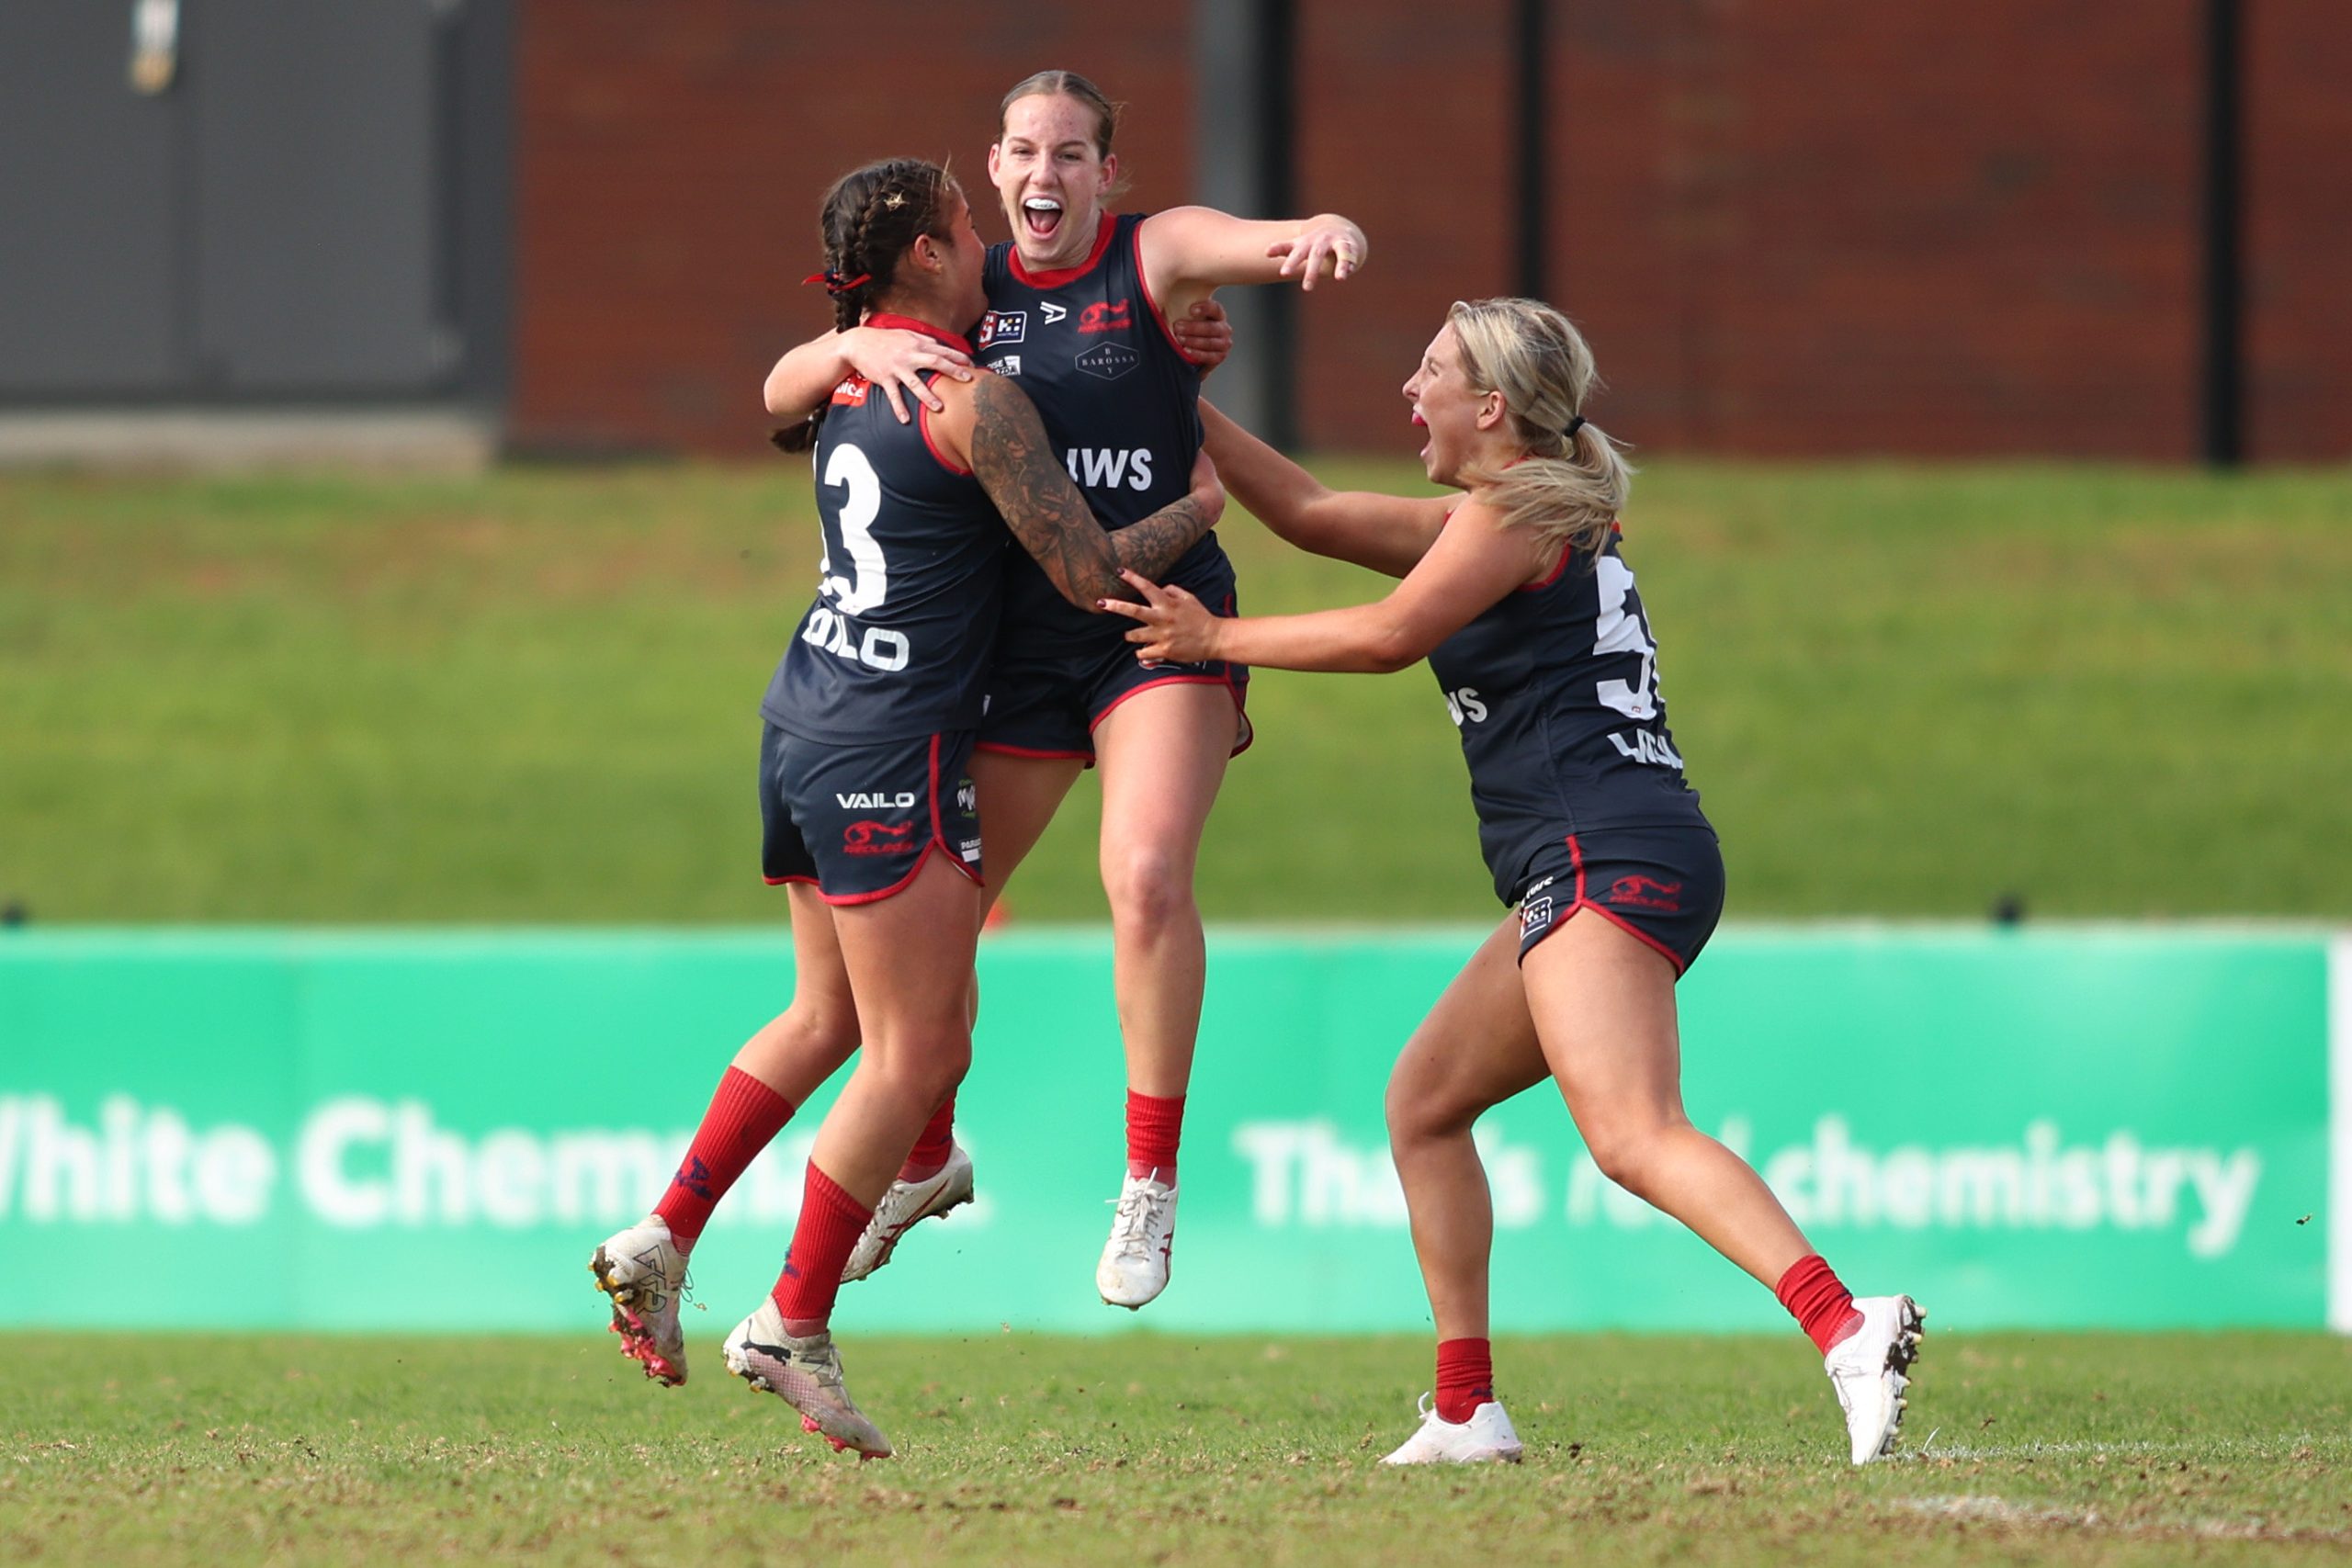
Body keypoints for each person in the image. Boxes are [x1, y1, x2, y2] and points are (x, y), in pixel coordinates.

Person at [1102, 297, 1924, 1467]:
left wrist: (1214, 642)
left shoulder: (1507, 519)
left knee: (1633, 1133)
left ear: (1490, 408)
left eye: (1429, 370)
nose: (1408, 390)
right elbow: (1312, 512)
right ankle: (1463, 1407)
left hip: (1603, 849)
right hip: (1605, 851)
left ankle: (1847, 1325)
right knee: (1425, 1105)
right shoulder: (1516, 512)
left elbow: (1389, 635)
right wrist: (1175, 396)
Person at [591, 155, 1223, 1456]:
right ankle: (790, 1321)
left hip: (801, 716)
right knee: (918, 1048)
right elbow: (1087, 573)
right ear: (926, 255)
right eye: (966, 222)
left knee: (831, 1014)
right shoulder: (971, 401)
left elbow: (783, 388)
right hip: (890, 742)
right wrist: (1196, 509)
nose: (989, 235)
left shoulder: (851, 363)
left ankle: (664, 1229)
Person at [756, 69, 1369, 1311]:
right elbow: (776, 393)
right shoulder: (959, 307)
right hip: (1024, 648)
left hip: (1155, 623)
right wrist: (843, 343)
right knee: (944, 911)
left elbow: (1232, 242)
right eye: (1027, 153)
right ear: (994, 169)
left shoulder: (1151, 261)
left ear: (1108, 174)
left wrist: (1311, 236)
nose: (1048, 175)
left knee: (1143, 873)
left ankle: (1148, 1182)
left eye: (1074, 154)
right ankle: (926, 1156)